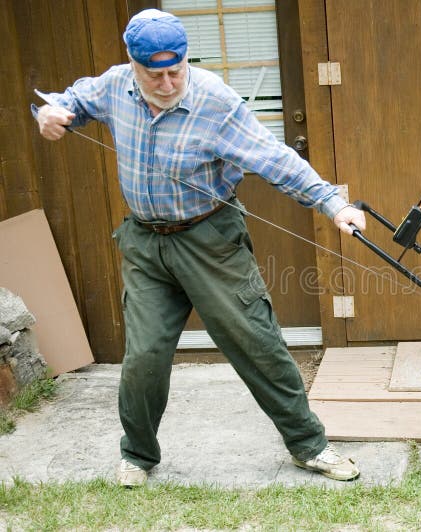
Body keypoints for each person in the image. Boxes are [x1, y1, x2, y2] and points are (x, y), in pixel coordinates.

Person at [34, 8, 366, 486]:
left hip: (211, 242)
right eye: (155, 74)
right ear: (133, 64)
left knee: (258, 343)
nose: (168, 83)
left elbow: (274, 158)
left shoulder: (216, 101)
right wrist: (50, 113)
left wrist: (332, 203)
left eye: (177, 71)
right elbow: (67, 104)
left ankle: (309, 446)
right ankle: (138, 455)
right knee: (145, 357)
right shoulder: (114, 86)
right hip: (147, 245)